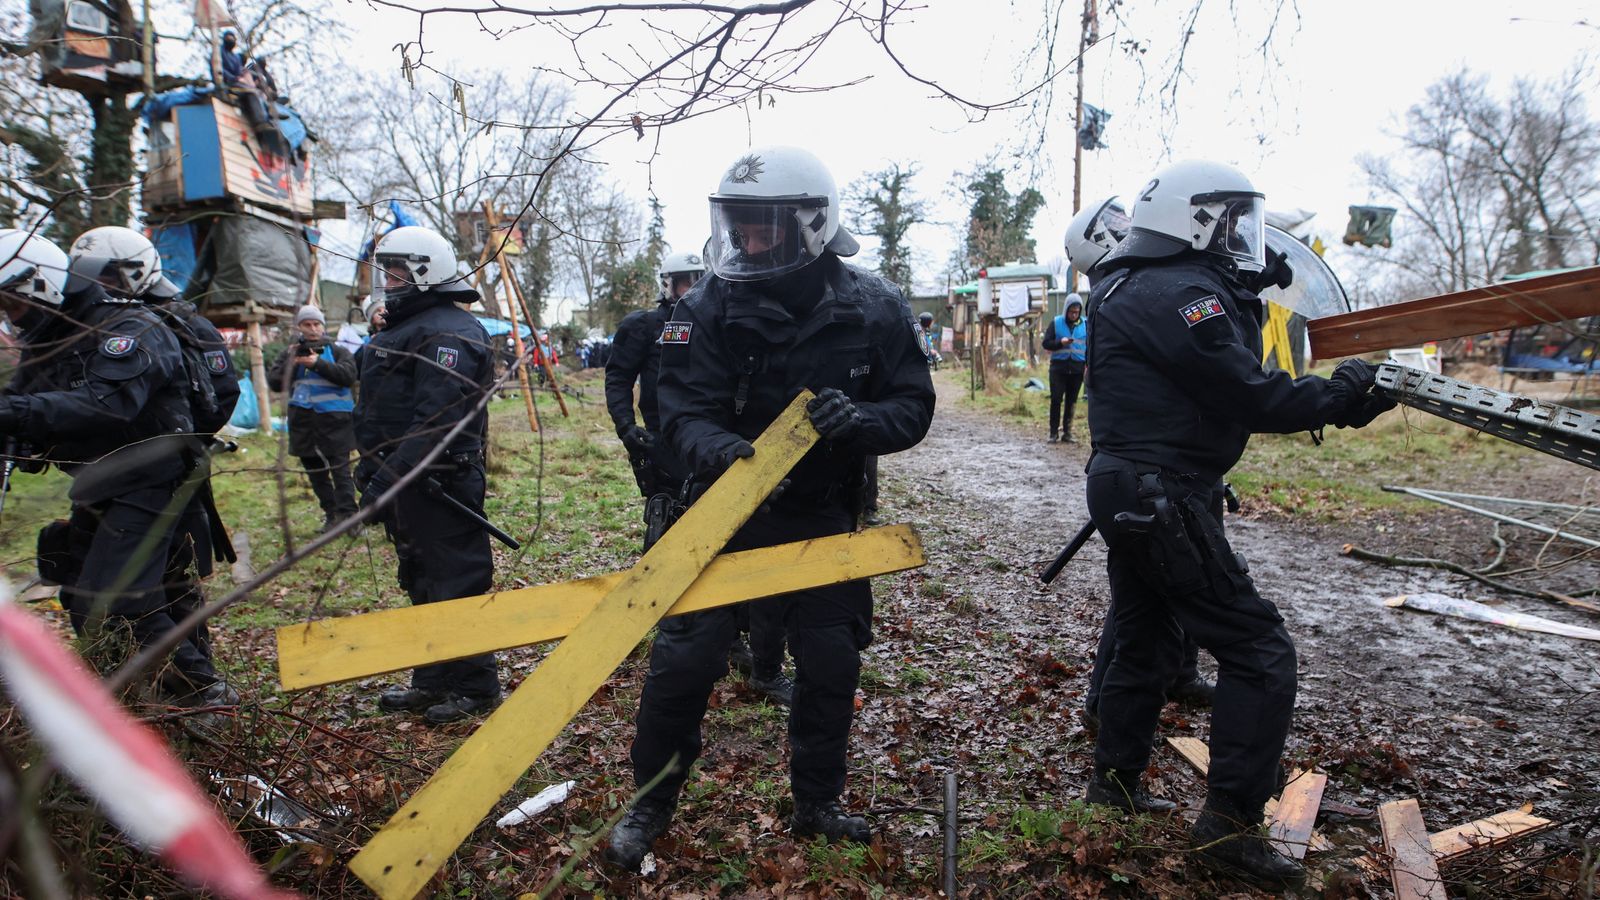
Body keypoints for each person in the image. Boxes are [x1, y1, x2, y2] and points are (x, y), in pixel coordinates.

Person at [606, 145, 936, 871]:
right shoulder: (703, 307)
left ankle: (817, 801)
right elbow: (675, 412)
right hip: (720, 515)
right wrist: (722, 449)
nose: (748, 240)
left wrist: (866, 423)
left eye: (764, 227)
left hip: (824, 515)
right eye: (740, 225)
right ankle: (650, 803)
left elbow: (913, 405)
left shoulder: (874, 306)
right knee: (684, 660)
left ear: (809, 225)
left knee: (830, 658)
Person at [1079, 160, 1392, 886]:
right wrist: (1339, 397)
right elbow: (1248, 392)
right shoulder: (1180, 294)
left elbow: (1201, 353)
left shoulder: (1131, 282)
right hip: (1163, 493)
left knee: (1145, 637)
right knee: (1258, 650)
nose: (1241, 236)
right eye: (1231, 222)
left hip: (1128, 485)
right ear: (1195, 220)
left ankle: (1114, 784)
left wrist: (1244, 286)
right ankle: (1226, 833)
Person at [0, 229, 229, 705]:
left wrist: (17, 414)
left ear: (40, 285)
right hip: (99, 480)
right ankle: (131, 688)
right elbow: (25, 404)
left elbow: (106, 404)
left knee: (125, 595)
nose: (11, 318)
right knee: (83, 591)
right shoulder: (51, 337)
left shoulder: (129, 328)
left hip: (153, 475)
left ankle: (202, 696)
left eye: (14, 305)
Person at [68, 226, 242, 701]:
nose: (99, 286)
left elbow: (222, 394)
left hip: (172, 471)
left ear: (134, 270)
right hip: (122, 474)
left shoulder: (180, 322)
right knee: (151, 578)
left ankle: (197, 682)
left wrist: (180, 439)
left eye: (108, 275)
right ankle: (172, 682)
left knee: (169, 580)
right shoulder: (103, 321)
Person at [1059, 197, 1216, 724]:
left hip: (1171, 465)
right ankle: (1105, 707)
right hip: (1145, 471)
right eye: (1118, 225)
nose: (1131, 229)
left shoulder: (1134, 288)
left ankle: (1175, 675)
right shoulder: (1117, 297)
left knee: (1164, 584)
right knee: (1142, 598)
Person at [355, 225, 501, 725]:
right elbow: (382, 407)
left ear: (423, 269)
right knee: (420, 579)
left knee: (456, 581)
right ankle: (433, 678)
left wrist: (381, 484)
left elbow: (433, 423)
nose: (388, 280)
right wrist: (371, 468)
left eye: (396, 269)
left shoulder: (449, 332)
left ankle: (477, 686)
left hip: (440, 481)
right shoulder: (403, 327)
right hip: (404, 482)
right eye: (386, 269)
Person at [268, 305, 359, 534]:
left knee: (341, 473)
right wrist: (292, 362)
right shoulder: (290, 353)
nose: (312, 329)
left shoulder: (338, 351)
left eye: (316, 324)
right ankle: (332, 516)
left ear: (323, 326)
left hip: (336, 423)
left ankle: (350, 519)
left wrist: (317, 364)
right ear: (299, 327)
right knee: (317, 475)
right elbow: (274, 383)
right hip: (304, 425)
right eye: (307, 324)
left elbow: (348, 376)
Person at [1041, 295, 1086, 443]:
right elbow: (1046, 343)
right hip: (1058, 369)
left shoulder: (1086, 324)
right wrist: (1060, 342)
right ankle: (1053, 433)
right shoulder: (1056, 323)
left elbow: (1090, 346)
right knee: (1056, 399)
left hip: (1077, 369)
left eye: (1076, 312)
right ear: (1066, 310)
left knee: (1071, 401)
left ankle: (1068, 432)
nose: (1074, 315)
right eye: (1071, 312)